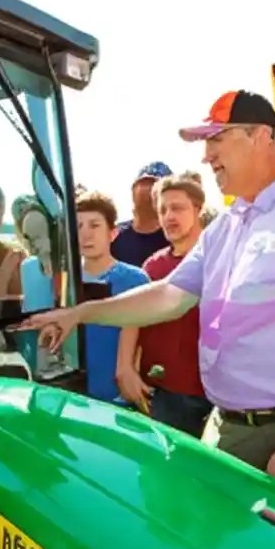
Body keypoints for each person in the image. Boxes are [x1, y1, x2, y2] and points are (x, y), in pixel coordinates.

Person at [16, 90, 275, 505]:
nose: (207, 155)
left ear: (261, 136)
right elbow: (169, 296)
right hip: (226, 426)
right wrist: (80, 313)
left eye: (217, 138)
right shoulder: (226, 227)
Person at [117, 171, 213, 436]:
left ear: (198, 209)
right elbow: (134, 315)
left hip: (215, 395)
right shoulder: (153, 265)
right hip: (163, 392)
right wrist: (125, 368)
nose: (169, 216)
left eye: (178, 208)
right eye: (163, 210)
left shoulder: (222, 259)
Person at [74, 190, 150, 404]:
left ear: (112, 233)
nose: (86, 234)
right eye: (78, 226)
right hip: (71, 397)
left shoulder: (135, 280)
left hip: (119, 401)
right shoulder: (63, 283)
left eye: (94, 225)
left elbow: (145, 344)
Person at [111, 162, 172, 267]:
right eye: (143, 184)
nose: (147, 190)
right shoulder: (113, 236)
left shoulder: (175, 237)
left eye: (155, 185)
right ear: (133, 191)